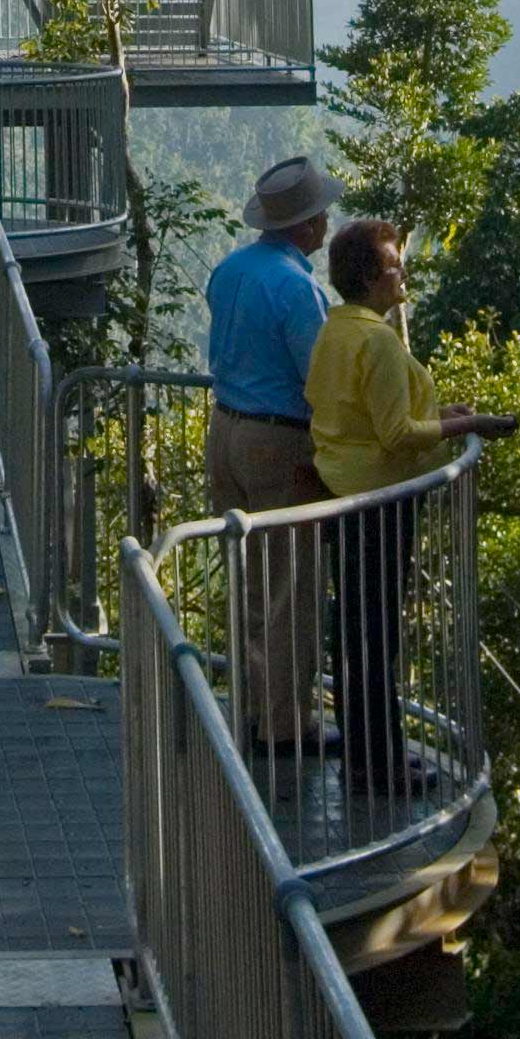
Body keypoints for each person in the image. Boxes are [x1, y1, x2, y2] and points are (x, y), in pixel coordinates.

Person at [307, 217, 517, 793]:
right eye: (396, 262)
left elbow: (357, 416)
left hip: (341, 492)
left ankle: (364, 754)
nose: (404, 271)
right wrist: (470, 425)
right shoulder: (375, 340)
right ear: (375, 276)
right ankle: (381, 767)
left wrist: (440, 418)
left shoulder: (337, 329)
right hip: (378, 501)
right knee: (376, 637)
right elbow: (397, 436)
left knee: (354, 633)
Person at [203, 156, 338, 751]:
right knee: (290, 589)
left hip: (224, 432)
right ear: (308, 227)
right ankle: (286, 727)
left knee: (249, 581)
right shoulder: (298, 288)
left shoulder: (231, 270)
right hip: (279, 442)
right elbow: (319, 380)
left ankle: (253, 708)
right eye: (323, 215)